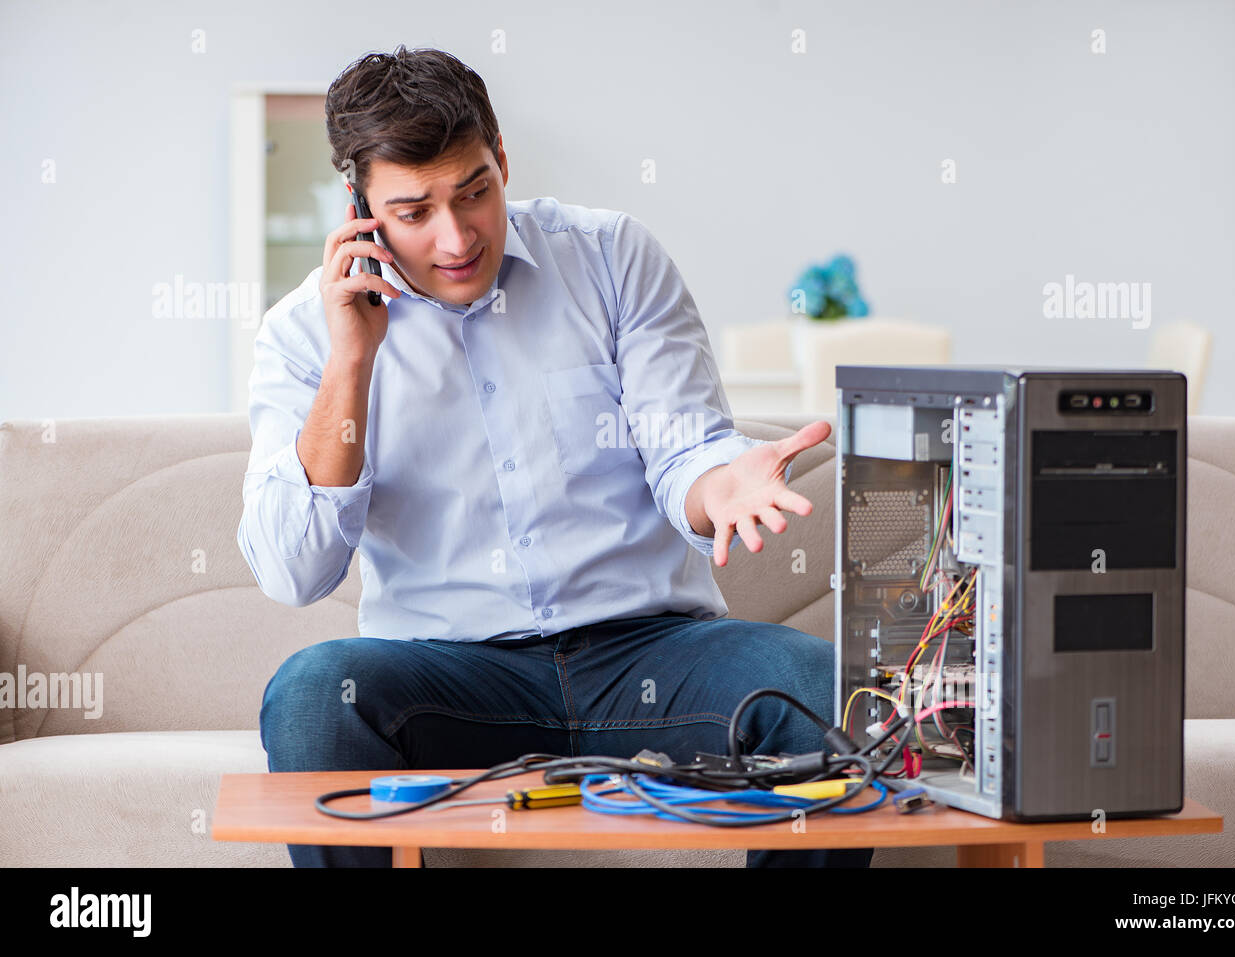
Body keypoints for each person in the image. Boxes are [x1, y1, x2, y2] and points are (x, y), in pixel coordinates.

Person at [239, 45, 873, 869]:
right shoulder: (301, 335)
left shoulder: (610, 258)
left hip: (649, 655)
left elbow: (684, 449)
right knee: (315, 695)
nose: (457, 235)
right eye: (415, 211)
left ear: (502, 157)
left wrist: (723, 484)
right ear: (359, 208)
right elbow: (293, 571)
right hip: (454, 676)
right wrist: (351, 363)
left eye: (475, 191)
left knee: (829, 691)